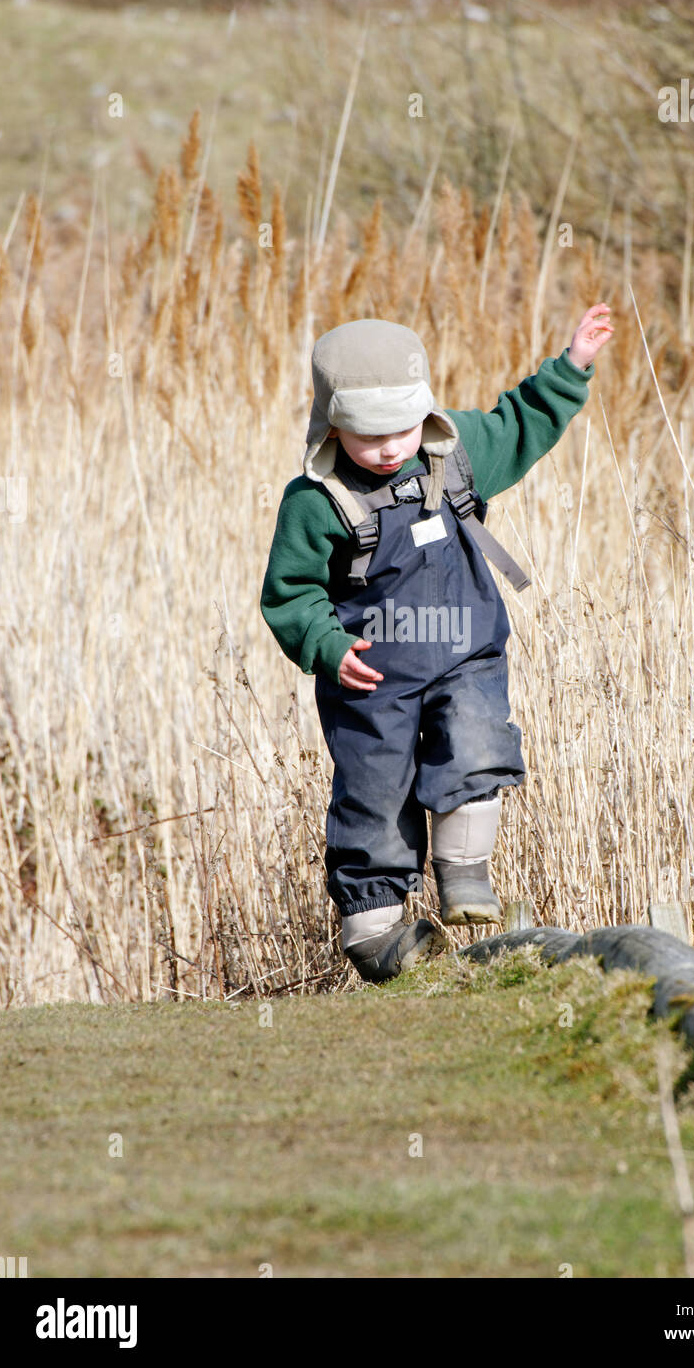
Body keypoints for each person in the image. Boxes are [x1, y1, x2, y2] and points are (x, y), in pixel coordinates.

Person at [261, 305, 613, 982]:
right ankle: (374, 931)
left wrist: (571, 367)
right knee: (373, 791)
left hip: (465, 656)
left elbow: (521, 422)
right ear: (331, 425)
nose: (390, 448)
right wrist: (328, 649)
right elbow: (290, 595)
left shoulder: (456, 456)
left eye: (402, 429)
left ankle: (464, 877)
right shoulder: (314, 499)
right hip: (371, 677)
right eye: (368, 437)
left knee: (476, 744)